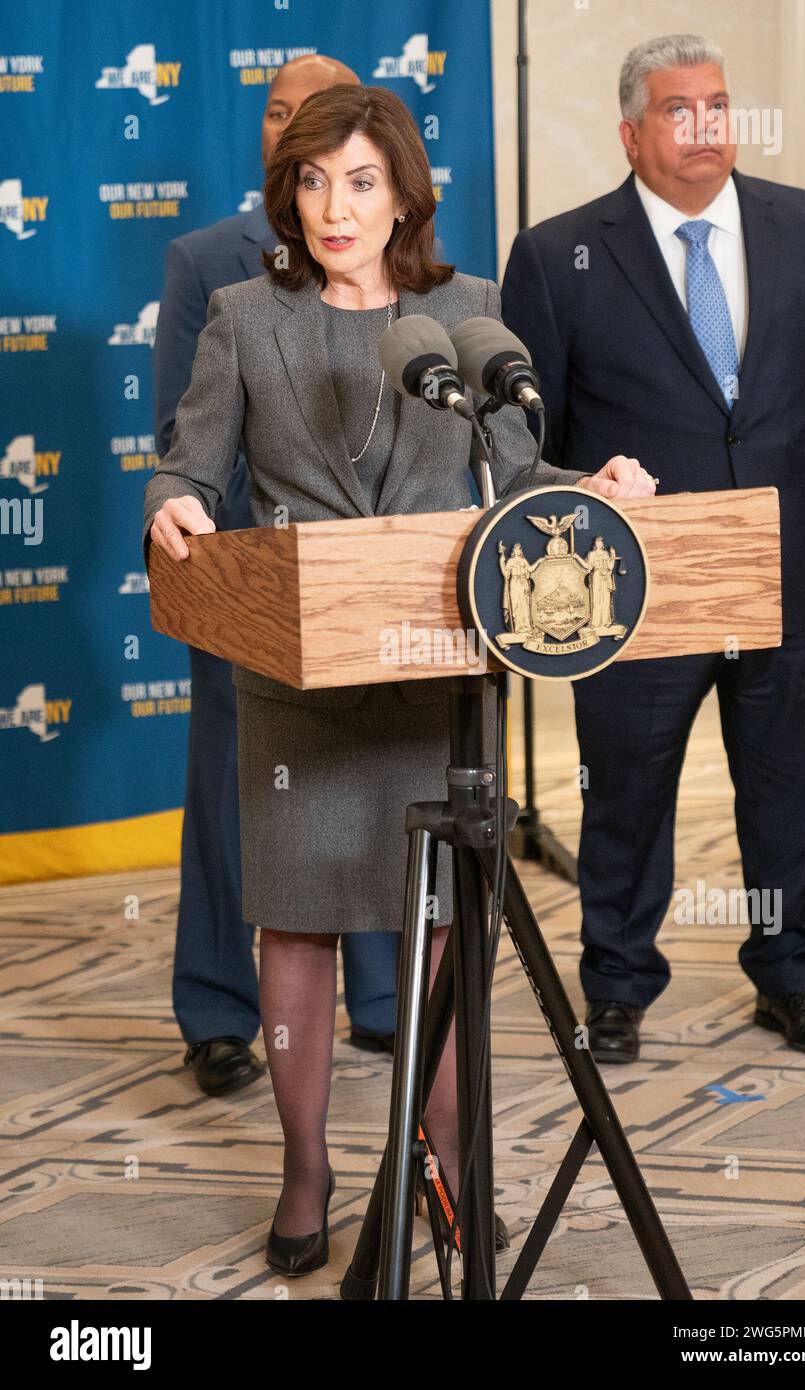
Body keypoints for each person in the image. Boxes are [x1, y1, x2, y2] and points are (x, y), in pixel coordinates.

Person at [144, 83, 654, 1276]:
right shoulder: (242, 314)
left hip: (439, 675)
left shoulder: (471, 315)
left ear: (401, 194)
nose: (334, 206)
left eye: (360, 182)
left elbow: (522, 478)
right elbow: (187, 463)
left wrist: (600, 490)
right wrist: (169, 504)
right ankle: (305, 1165)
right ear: (289, 195)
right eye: (313, 182)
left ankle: (446, 1155)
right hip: (299, 685)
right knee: (302, 924)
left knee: (442, 929)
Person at [501, 33, 805, 1063]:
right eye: (675, 110)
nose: (702, 128)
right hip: (636, 575)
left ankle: (791, 978)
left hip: (781, 557)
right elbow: (542, 435)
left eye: (715, 106)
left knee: (784, 782)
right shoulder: (558, 253)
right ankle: (614, 986)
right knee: (626, 788)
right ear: (629, 131)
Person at [154, 55, 412, 1096]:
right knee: (239, 810)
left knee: (387, 806)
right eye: (280, 118)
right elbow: (185, 437)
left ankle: (385, 1004)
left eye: (343, 151)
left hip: (397, 621)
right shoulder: (208, 268)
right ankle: (218, 1012)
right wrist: (208, 546)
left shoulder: (438, 295)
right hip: (256, 598)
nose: (301, 133)